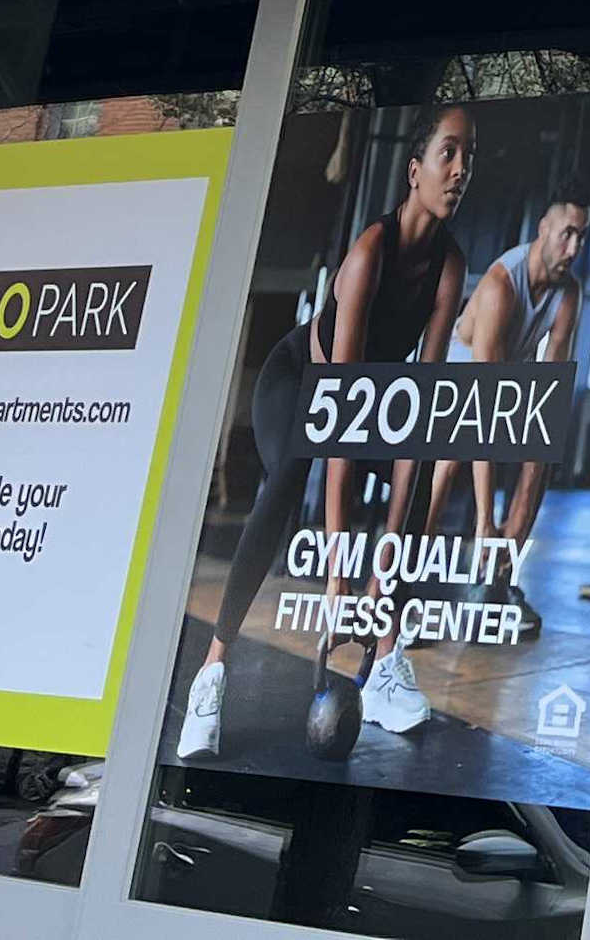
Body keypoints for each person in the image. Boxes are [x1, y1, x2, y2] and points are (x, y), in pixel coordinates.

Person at [178, 103, 473, 762]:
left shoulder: (450, 265)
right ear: (415, 169)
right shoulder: (371, 253)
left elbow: (419, 416)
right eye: (448, 153)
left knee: (424, 472)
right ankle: (212, 673)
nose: (460, 170)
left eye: (468, 158)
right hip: (300, 382)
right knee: (288, 475)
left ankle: (387, 661)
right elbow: (335, 426)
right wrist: (338, 577)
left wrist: (381, 575)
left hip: (368, 400)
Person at [452, 193, 588, 623]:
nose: (574, 249)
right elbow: (483, 411)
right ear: (543, 229)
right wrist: (485, 520)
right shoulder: (501, 285)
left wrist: (507, 539)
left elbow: (548, 400)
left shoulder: (569, 294)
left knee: (539, 451)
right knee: (447, 460)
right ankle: (400, 588)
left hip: (508, 378)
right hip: (459, 375)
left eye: (582, 238)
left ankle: (500, 577)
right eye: (567, 234)